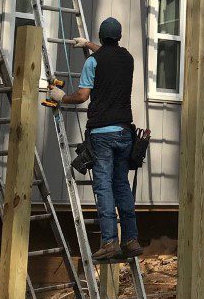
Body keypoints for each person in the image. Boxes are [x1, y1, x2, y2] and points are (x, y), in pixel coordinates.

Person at [49, 17, 141, 260]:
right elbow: (109, 55)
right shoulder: (127, 58)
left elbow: (81, 96)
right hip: (124, 133)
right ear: (118, 37)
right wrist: (88, 44)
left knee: (103, 187)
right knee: (121, 185)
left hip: (102, 134)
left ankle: (110, 241)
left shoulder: (93, 62)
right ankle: (131, 240)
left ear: (101, 36)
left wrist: (60, 97)